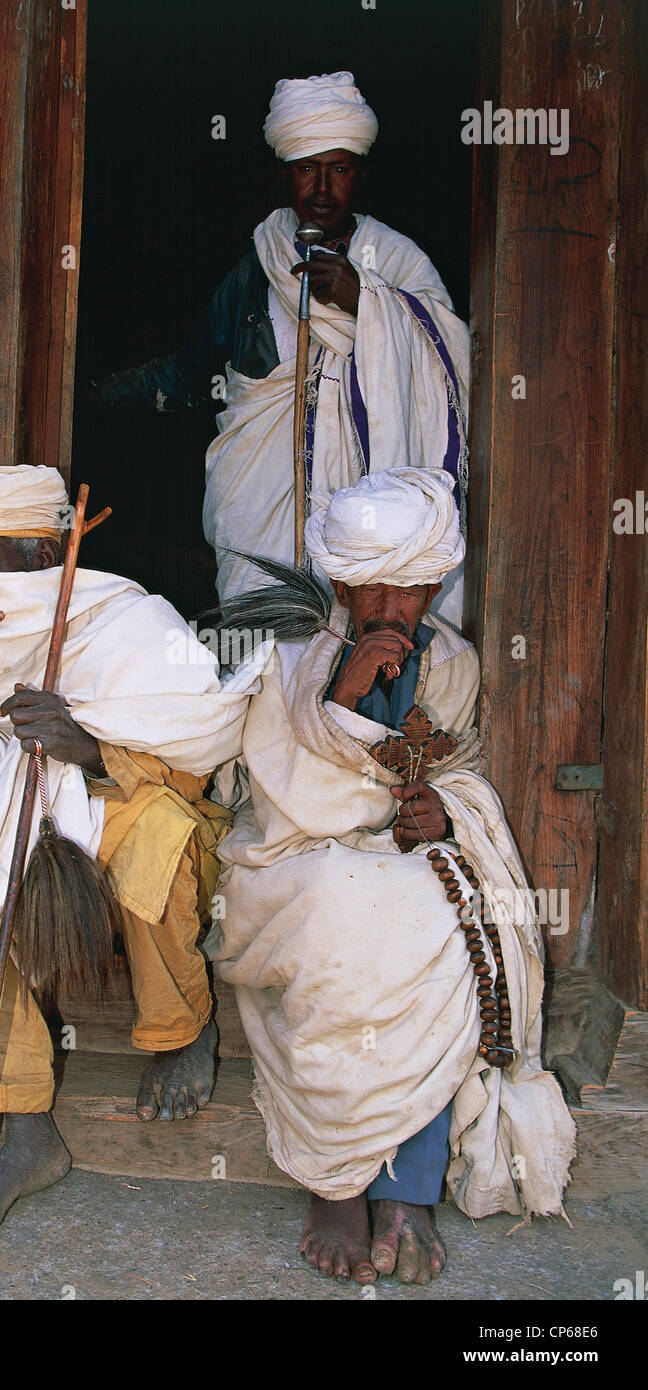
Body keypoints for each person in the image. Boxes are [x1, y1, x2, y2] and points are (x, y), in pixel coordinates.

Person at [0, 464, 267, 1255]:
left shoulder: (130, 621)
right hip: (34, 816)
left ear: (46, 552)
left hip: (134, 805)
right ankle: (23, 1126)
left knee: (156, 833)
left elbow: (200, 759)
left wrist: (85, 747)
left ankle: (181, 1028)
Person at [204, 468, 575, 1285]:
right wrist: (343, 698)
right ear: (340, 582)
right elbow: (282, 795)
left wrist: (447, 814)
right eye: (369, 588)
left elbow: (464, 770)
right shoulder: (294, 653)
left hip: (407, 863)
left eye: (408, 590)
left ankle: (407, 1185)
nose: (389, 608)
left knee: (438, 928)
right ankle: (333, 1179)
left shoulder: (456, 663)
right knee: (340, 916)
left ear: (437, 582)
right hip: (298, 859)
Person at [92, 71, 469, 623]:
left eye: (338, 169)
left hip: (367, 496)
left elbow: (454, 363)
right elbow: (192, 372)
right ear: (283, 175)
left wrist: (365, 298)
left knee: (358, 625)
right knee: (258, 638)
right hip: (257, 495)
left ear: (361, 172)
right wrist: (95, 396)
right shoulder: (256, 268)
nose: (322, 189)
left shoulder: (397, 261)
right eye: (305, 169)